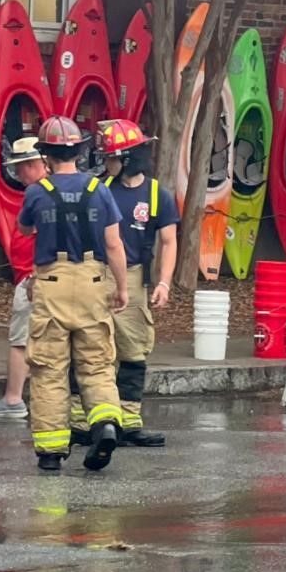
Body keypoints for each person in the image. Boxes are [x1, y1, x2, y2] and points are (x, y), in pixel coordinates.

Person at [18, 115, 129, 473]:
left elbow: (23, 228)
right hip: (94, 281)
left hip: (52, 284)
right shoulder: (101, 190)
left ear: (46, 154)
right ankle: (106, 423)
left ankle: (51, 451)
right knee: (97, 364)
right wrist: (122, 287)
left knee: (49, 369)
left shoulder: (37, 192)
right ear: (80, 152)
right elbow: (114, 244)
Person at [99, 119, 177, 447]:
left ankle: (130, 422)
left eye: (113, 157)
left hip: (133, 277)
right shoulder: (100, 189)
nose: (108, 163)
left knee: (132, 351)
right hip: (97, 273)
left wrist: (163, 283)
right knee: (94, 350)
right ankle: (95, 421)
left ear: (128, 158)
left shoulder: (158, 195)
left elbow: (169, 241)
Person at [0, 136, 47, 422]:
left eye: (21, 167)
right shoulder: (47, 192)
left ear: (35, 164)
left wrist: (33, 274)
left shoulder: (39, 194)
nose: (17, 174)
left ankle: (13, 399)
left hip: (33, 277)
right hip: (37, 275)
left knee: (21, 339)